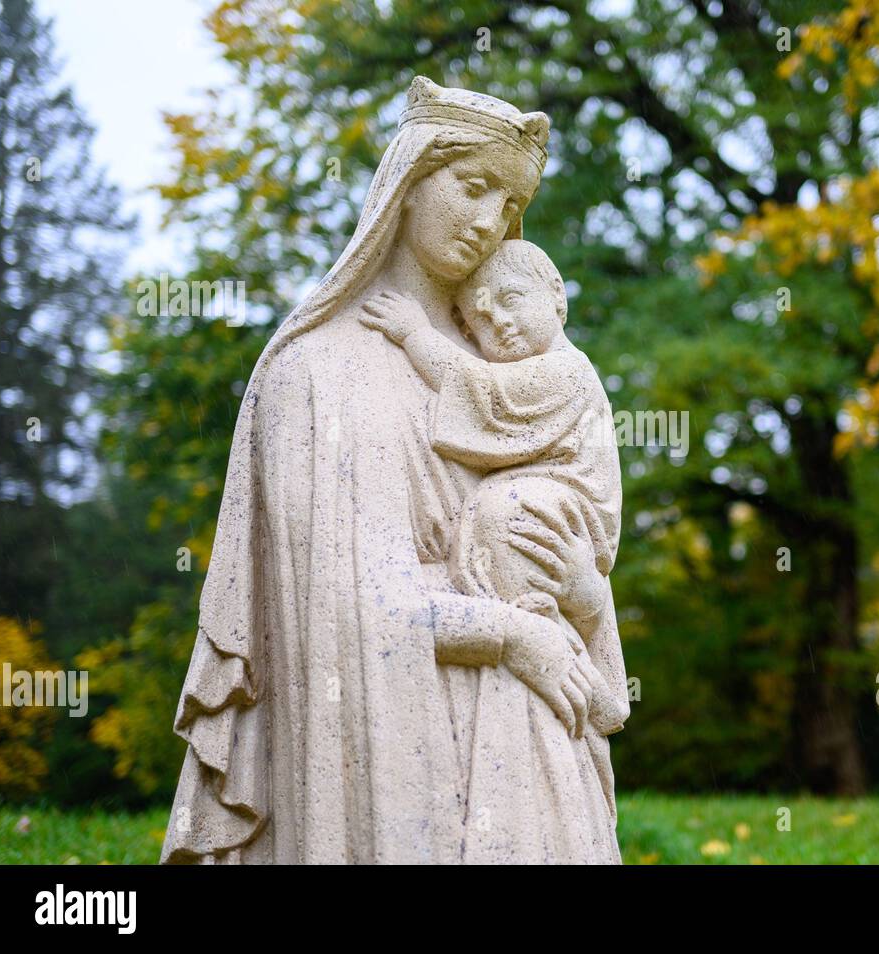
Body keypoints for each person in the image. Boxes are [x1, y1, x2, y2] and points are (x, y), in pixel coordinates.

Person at [161, 77, 627, 864]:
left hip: (543, 744)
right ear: (407, 183)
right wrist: (513, 637)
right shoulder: (316, 375)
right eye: (472, 186)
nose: (488, 222)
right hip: (406, 766)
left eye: (508, 206)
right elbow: (351, 604)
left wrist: (585, 596)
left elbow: (574, 553)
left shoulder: (513, 371)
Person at [359, 239, 627, 735]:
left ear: (557, 296)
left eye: (510, 299)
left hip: (564, 515)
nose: (497, 321)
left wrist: (415, 335)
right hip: (544, 522)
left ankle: (597, 694)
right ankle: (577, 677)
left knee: (524, 549)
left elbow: (485, 393)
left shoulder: (566, 371)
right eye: (477, 320)